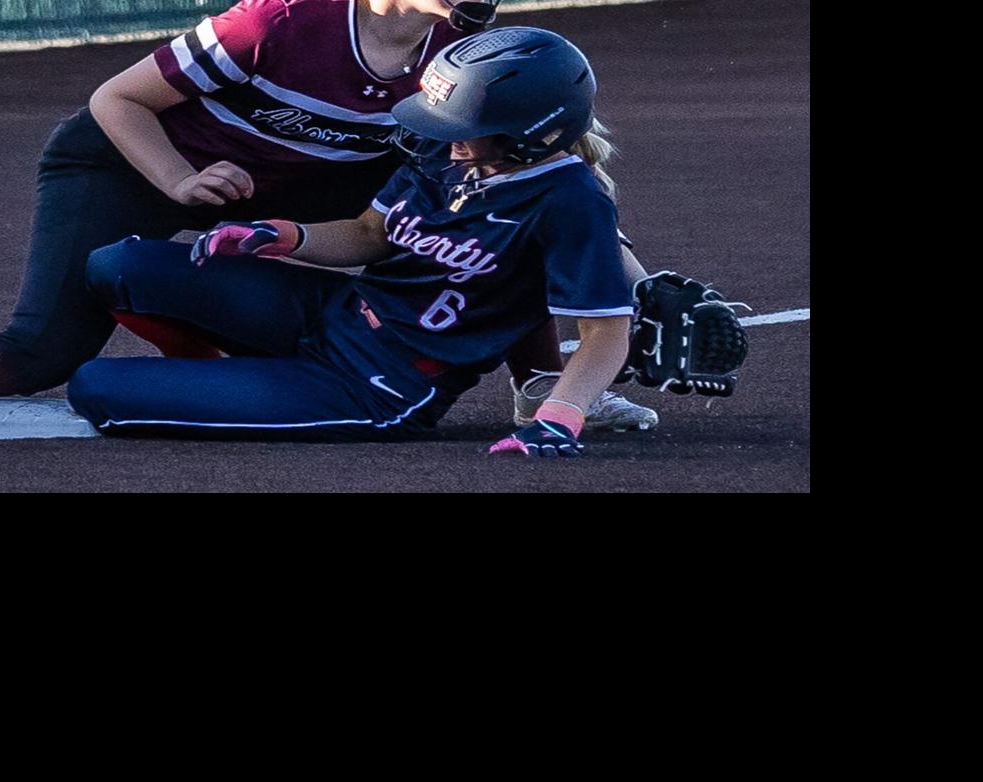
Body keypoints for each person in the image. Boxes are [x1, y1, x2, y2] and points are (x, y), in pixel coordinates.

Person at [0, 0, 658, 438]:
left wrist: (613, 275)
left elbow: (537, 176)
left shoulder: (465, 51)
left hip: (290, 184)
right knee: (38, 352)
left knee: (466, 233)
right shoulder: (280, 18)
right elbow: (117, 99)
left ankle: (553, 390)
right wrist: (183, 183)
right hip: (143, 155)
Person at [65, 25, 634, 458]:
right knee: (119, 264)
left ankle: (249, 380)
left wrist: (561, 416)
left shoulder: (570, 201)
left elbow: (607, 328)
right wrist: (284, 236)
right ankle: (235, 370)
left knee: (95, 388)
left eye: (465, 129)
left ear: (532, 134)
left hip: (376, 385)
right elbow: (369, 234)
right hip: (334, 314)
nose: (446, 139)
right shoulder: (446, 152)